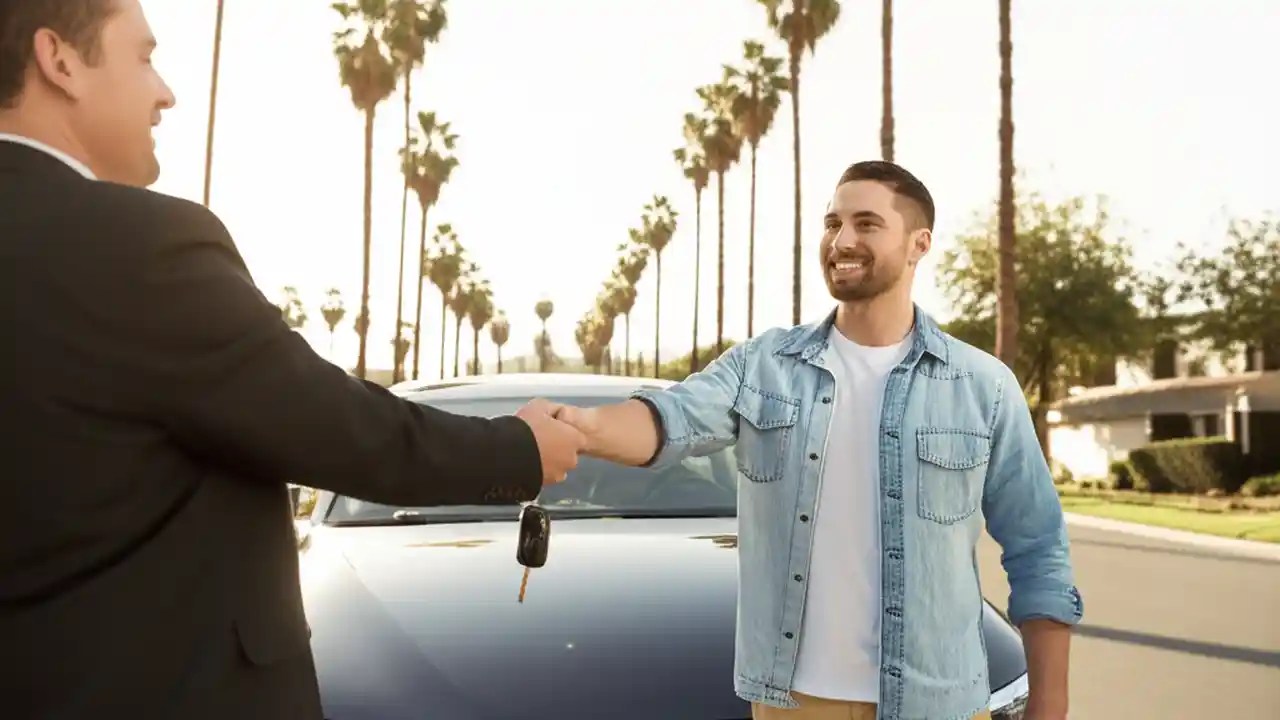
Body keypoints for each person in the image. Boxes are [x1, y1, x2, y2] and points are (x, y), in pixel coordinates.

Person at [0, 2, 584, 718]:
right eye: (144, 56)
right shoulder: (135, 248)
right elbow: (330, 424)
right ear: (59, 61)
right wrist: (519, 448)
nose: (165, 91)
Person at [552, 161, 1083, 720]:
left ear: (917, 244)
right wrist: (582, 427)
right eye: (832, 223)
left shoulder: (983, 387)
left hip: (941, 705)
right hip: (798, 706)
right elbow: (672, 419)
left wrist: (1049, 706)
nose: (841, 240)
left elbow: (1038, 548)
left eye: (866, 224)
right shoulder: (765, 366)